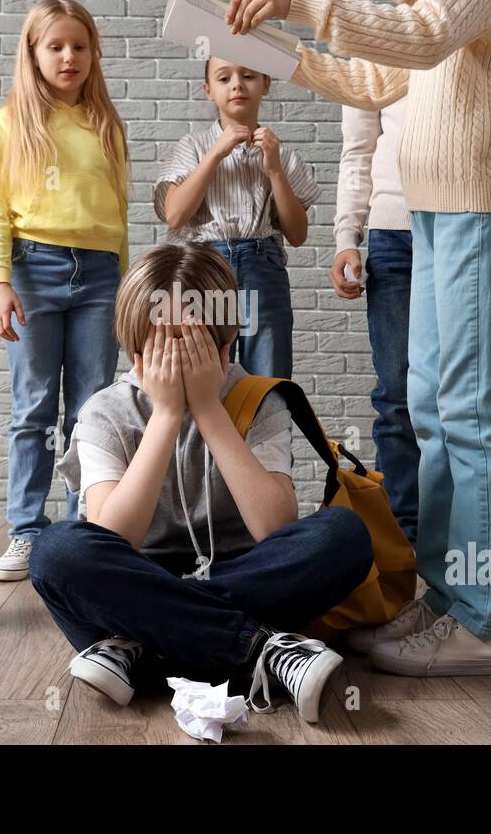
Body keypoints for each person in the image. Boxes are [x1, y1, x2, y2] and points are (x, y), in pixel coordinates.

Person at [226, 0, 491, 676]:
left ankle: (489, 621)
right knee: (430, 407)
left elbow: (425, 34)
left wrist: (301, 0)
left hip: (485, 204)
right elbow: (385, 79)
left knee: (474, 413)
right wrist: (269, 49)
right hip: (440, 209)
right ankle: (449, 600)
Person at [32, 243, 375, 723]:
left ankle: (146, 652)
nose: (178, 357)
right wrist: (168, 413)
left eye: (191, 341)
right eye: (163, 342)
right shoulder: (106, 412)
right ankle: (265, 652)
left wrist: (210, 410)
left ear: (225, 343)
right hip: (135, 582)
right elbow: (114, 537)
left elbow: (274, 527)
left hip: (240, 575)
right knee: (56, 551)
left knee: (344, 535)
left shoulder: (258, 402)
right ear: (135, 350)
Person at [0, 0, 131, 583]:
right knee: (34, 406)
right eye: (56, 46)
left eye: (80, 46)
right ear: (34, 53)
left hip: (98, 277)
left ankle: (81, 531)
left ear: (94, 53)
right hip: (31, 269)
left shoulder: (106, 126)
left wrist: (122, 285)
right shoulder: (10, 122)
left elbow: (116, 216)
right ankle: (25, 531)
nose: (69, 57)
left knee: (93, 406)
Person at [152, 57, 321, 379]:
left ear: (266, 83)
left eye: (248, 75)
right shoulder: (194, 145)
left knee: (268, 377)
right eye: (224, 78)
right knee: (206, 372)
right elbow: (174, 215)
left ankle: (265, 431)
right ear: (208, 90)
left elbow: (298, 235)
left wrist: (273, 169)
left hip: (263, 266)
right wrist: (216, 153)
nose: (237, 85)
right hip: (206, 267)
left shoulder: (282, 155)